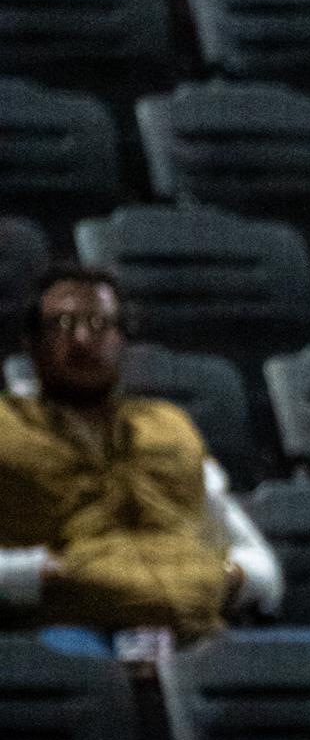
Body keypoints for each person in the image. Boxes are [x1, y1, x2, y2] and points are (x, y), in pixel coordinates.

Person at [1, 265, 279, 644]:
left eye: (100, 324)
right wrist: (52, 573)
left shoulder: (170, 427)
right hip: (62, 631)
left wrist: (217, 578)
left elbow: (260, 565)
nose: (82, 339)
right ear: (31, 342)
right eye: (63, 324)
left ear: (122, 341)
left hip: (193, 630)